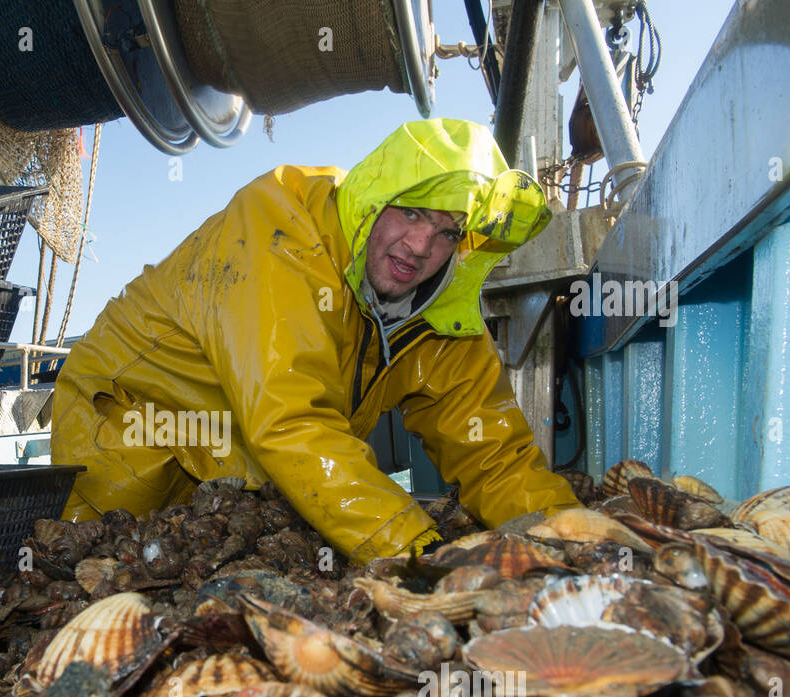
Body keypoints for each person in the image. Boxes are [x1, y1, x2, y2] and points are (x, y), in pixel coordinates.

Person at [49, 118, 578, 562]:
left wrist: (567, 540)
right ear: (373, 198)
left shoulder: (441, 312)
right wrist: (416, 551)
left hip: (249, 465)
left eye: (447, 232)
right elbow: (292, 419)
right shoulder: (283, 226)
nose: (420, 246)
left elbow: (494, 455)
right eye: (411, 211)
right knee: (101, 572)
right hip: (130, 424)